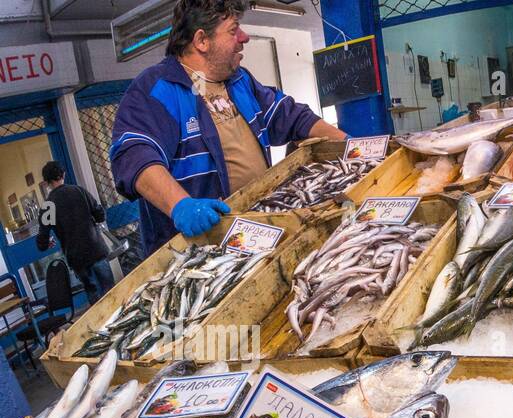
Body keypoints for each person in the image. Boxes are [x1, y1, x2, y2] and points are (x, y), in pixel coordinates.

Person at [110, 0, 345, 257]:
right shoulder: (158, 88)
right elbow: (133, 154)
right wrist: (181, 206)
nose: (244, 38)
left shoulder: (240, 81)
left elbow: (292, 116)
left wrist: (350, 145)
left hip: (259, 231)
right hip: (198, 251)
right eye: (233, 30)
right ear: (202, 40)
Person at [35, 161, 116, 305]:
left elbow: (42, 242)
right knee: (112, 292)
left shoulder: (48, 206)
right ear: (63, 174)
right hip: (96, 249)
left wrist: (48, 242)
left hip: (77, 258)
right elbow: (100, 215)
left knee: (95, 298)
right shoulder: (78, 191)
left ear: (46, 182)